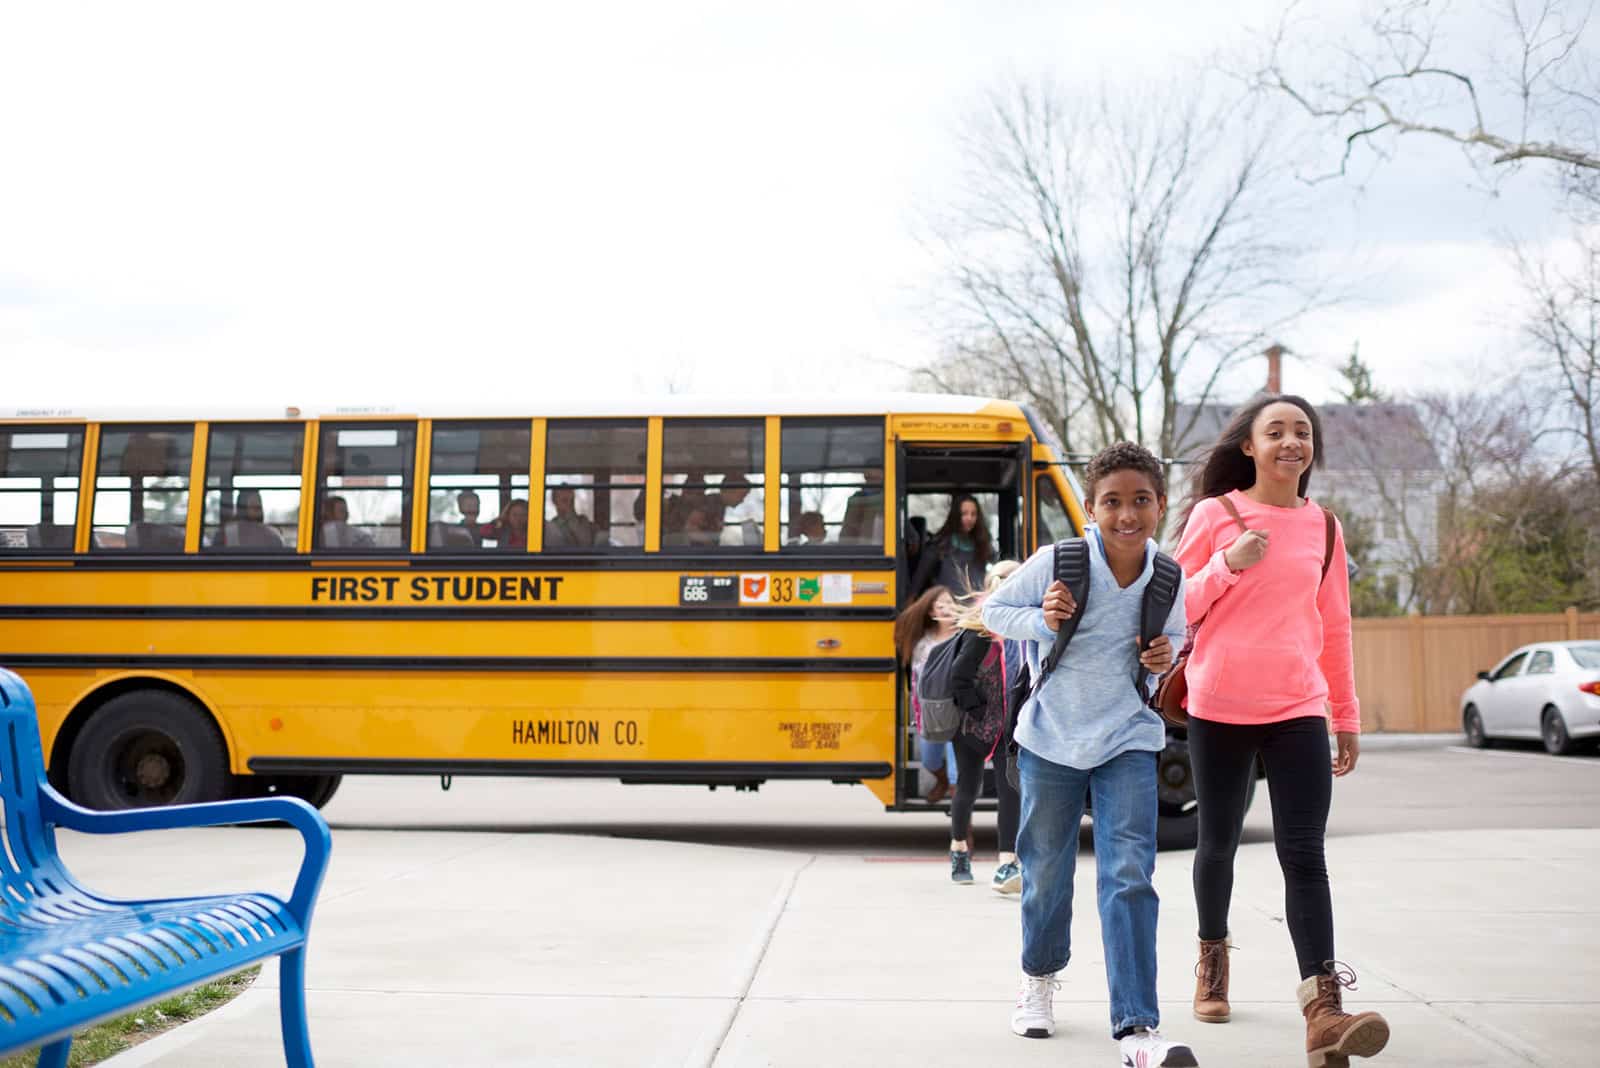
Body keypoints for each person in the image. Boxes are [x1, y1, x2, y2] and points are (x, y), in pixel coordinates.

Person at [1173, 395, 1389, 1066]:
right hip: (1218, 706)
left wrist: (1345, 714)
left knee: (1305, 855)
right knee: (1217, 844)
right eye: (1277, 431)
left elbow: (1335, 625)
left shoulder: (1324, 526)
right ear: (1250, 446)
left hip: (1298, 707)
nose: (1291, 441)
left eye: (1302, 431)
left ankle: (1323, 1012)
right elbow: (1175, 607)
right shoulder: (1214, 515)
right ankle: (1213, 954)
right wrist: (1226, 563)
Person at [983, 442, 1196, 1066]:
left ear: (1160, 503)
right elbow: (994, 612)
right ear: (1090, 506)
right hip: (1051, 739)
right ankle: (1039, 979)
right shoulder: (1063, 560)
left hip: (1127, 737)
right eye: (1112, 502)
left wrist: (1162, 658)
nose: (1127, 514)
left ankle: (1137, 1029)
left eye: (1140, 501)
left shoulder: (1168, 575)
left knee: (1129, 875)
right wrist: (1044, 621)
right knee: (1046, 872)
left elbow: (1175, 639)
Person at [946, 560, 1024, 893]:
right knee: (968, 787)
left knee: (1011, 791)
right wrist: (978, 711)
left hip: (1008, 726)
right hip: (973, 728)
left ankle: (1007, 862)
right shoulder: (978, 629)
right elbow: (958, 678)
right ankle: (959, 849)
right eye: (1009, 578)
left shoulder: (1023, 626)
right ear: (995, 583)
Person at [893, 584, 961, 804]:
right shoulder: (923, 644)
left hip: (959, 712)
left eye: (950, 603)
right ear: (931, 612)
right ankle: (941, 781)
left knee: (957, 774)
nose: (946, 607)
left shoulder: (965, 637)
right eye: (940, 604)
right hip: (932, 713)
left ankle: (961, 832)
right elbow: (918, 681)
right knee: (930, 761)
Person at [911, 494, 992, 597]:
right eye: (964, 514)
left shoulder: (982, 545)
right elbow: (919, 579)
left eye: (973, 514)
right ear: (956, 516)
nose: (969, 518)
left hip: (975, 605)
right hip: (948, 605)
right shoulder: (939, 545)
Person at [839, 468, 884, 544]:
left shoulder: (890, 497)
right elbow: (847, 530)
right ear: (865, 475)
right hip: (863, 546)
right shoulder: (856, 499)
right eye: (872, 477)